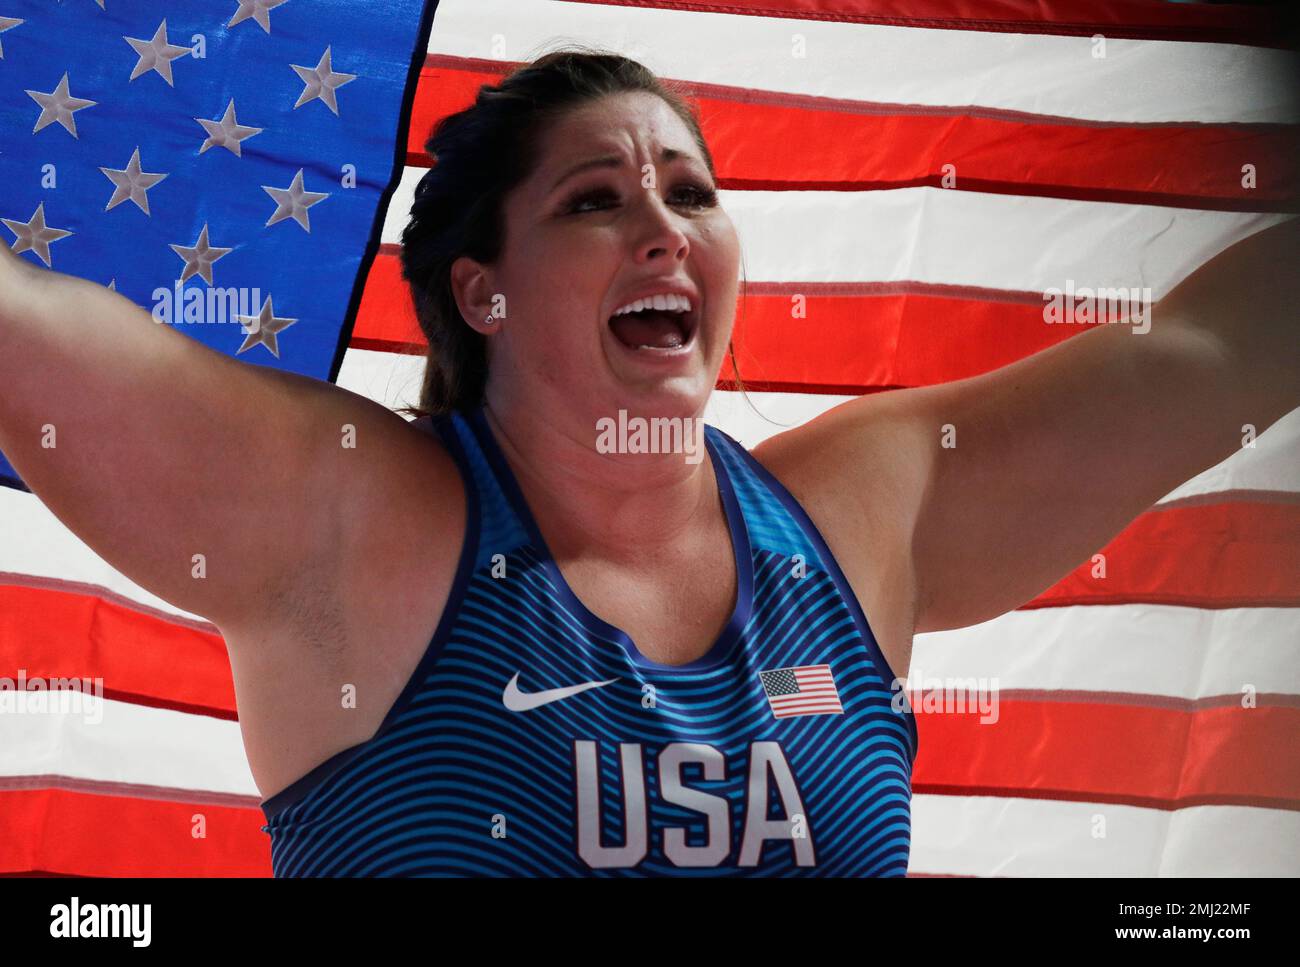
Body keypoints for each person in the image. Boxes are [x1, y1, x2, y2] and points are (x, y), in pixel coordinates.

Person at [0, 48, 1295, 876]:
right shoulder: (356, 520)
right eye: (595, 200)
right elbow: (38, 343)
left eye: (691, 191)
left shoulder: (862, 514)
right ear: (482, 294)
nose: (664, 228)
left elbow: (1212, 355)